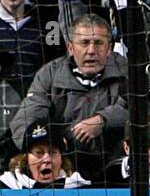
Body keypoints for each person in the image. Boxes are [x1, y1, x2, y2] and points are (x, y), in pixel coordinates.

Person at [11, 13, 127, 183]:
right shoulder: (49, 74)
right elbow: (25, 122)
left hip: (117, 169)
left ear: (109, 48)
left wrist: (104, 119)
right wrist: (52, 143)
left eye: (98, 43)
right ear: (71, 48)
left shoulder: (126, 71)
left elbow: (144, 111)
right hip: (65, 169)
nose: (91, 51)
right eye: (84, 43)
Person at [0, 122, 90, 189]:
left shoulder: (81, 188)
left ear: (62, 159)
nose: (46, 159)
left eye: (53, 153)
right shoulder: (3, 186)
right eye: (39, 153)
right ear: (26, 158)